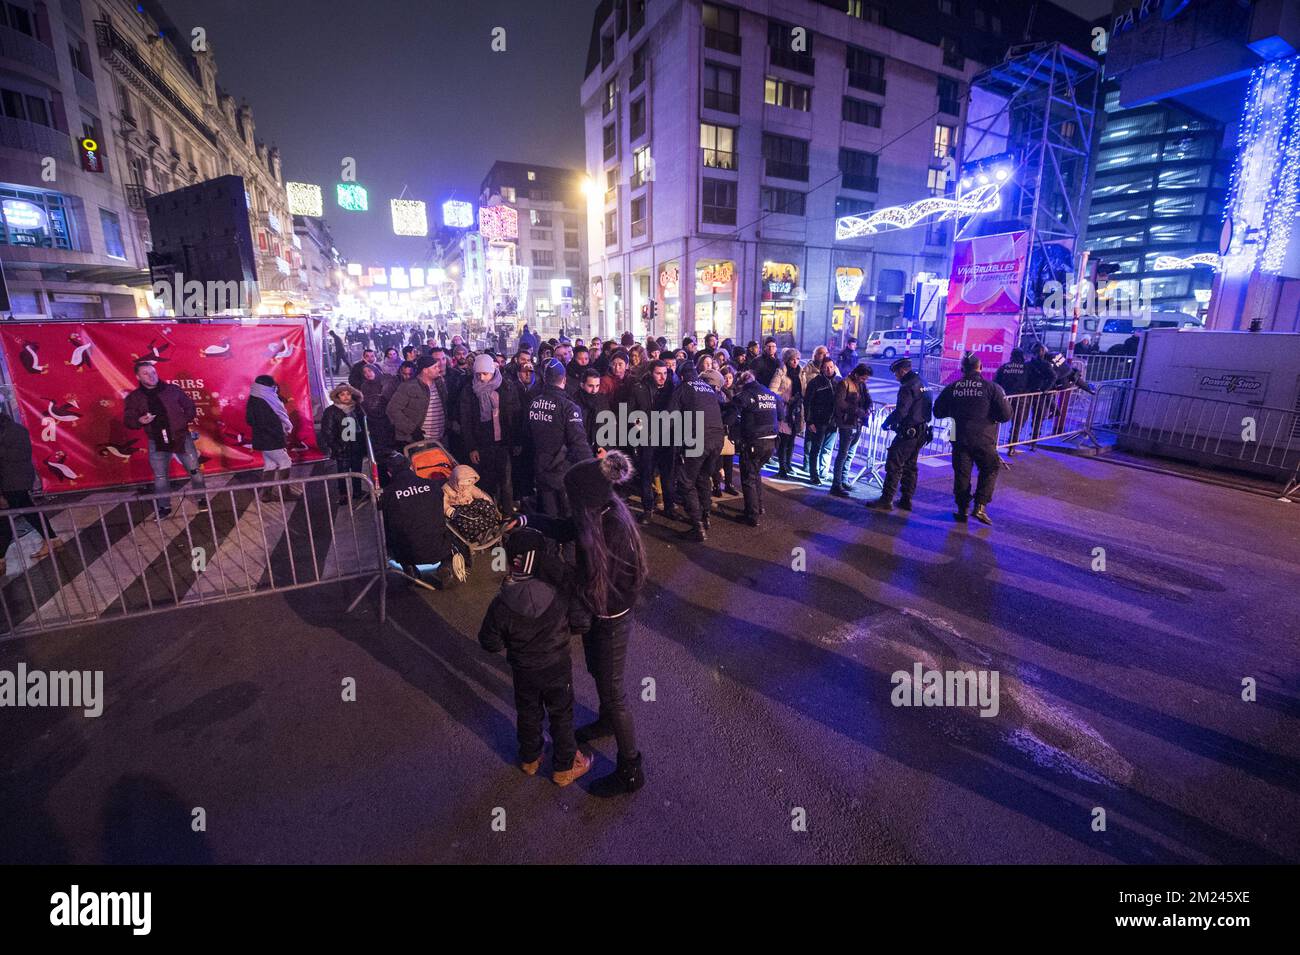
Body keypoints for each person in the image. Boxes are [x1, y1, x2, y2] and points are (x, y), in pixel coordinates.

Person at [514, 451, 647, 795]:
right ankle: (604, 720)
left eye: (572, 497)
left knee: (614, 691)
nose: (568, 502)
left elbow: (582, 582)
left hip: (612, 618)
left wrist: (544, 562)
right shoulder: (596, 512)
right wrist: (529, 520)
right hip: (600, 613)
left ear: (584, 498)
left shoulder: (610, 528)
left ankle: (631, 769)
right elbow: (564, 529)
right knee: (598, 674)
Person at [477, 526, 592, 786]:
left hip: (524, 669)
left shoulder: (501, 604)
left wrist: (512, 642)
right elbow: (581, 623)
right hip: (557, 666)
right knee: (561, 714)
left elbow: (490, 643)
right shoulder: (558, 592)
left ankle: (530, 759)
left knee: (528, 712)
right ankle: (564, 767)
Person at [933, 353, 1012, 525]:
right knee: (990, 469)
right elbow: (1006, 415)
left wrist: (954, 413)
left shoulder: (953, 388)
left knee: (962, 474)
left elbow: (937, 411)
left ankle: (962, 510)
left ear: (962, 369)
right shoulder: (992, 388)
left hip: (959, 438)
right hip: (984, 438)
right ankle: (980, 507)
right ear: (980, 368)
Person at [123, 359, 207, 516]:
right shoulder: (135, 397)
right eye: (146, 374)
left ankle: (201, 498)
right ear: (138, 377)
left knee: (194, 470)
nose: (151, 376)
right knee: (160, 476)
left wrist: (182, 421)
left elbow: (190, 407)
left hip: (181, 437)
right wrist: (140, 420)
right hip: (156, 440)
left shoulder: (172, 390)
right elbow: (128, 419)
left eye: (153, 372)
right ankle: (164, 506)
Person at [668, 358, 724, 541]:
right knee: (703, 477)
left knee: (686, 482)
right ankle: (706, 516)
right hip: (717, 439)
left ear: (682, 375)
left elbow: (671, 415)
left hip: (699, 438)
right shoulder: (707, 387)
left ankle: (697, 525)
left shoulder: (683, 388)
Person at [527, 358, 592, 516]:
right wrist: (592, 466)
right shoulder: (568, 407)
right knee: (568, 517)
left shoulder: (534, 403)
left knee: (549, 517)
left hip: (540, 467)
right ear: (564, 379)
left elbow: (526, 434)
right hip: (562, 469)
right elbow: (578, 443)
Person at [0, 408, 61, 573]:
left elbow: (7, 459)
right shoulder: (15, 429)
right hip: (19, 479)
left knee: (4, 519)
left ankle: (0, 558)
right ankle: (52, 539)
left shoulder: (8, 433)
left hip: (10, 482)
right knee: (28, 510)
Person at [379, 453, 454, 585]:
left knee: (393, 530)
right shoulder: (432, 485)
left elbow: (389, 525)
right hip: (438, 547)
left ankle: (409, 569)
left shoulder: (387, 494)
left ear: (390, 473)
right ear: (411, 468)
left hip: (407, 551)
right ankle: (446, 564)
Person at [868, 358, 932, 512]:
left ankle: (886, 499)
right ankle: (906, 499)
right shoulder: (923, 382)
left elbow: (901, 411)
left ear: (902, 371)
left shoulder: (907, 386)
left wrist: (886, 422)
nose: (896, 377)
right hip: (922, 431)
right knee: (910, 465)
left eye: (896, 373)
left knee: (894, 464)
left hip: (908, 432)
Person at [459, 353, 518, 512]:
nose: (482, 378)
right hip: (482, 442)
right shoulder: (469, 390)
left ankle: (507, 513)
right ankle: (488, 513)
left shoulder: (505, 386)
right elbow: (466, 421)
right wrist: (472, 447)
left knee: (505, 480)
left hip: (503, 442)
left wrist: (515, 441)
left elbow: (514, 414)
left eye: (485, 373)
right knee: (485, 481)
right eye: (478, 374)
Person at [727, 370, 782, 526]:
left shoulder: (747, 394)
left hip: (755, 442)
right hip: (771, 441)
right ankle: (759, 507)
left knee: (748, 478)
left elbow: (732, 413)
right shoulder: (769, 393)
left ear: (743, 383)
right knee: (756, 473)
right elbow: (781, 414)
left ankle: (751, 516)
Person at [629, 359, 676, 524]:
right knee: (646, 475)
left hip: (667, 438)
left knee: (668, 474)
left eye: (665, 373)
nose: (662, 377)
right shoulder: (639, 388)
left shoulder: (672, 389)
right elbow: (630, 412)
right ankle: (647, 509)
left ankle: (670, 507)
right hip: (647, 438)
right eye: (658, 373)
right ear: (651, 373)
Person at [246, 375, 301, 501]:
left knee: (270, 464)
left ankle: (266, 494)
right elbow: (271, 421)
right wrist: (280, 432)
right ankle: (285, 493)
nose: (274, 388)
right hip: (271, 438)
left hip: (262, 438)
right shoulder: (266, 399)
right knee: (285, 462)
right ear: (266, 387)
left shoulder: (254, 397)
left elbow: (250, 419)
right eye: (272, 386)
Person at [319, 384, 369, 508]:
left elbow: (364, 425)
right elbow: (327, 432)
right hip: (342, 446)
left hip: (357, 444)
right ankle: (343, 495)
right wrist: (337, 447)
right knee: (343, 471)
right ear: (337, 396)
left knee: (357, 470)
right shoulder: (331, 411)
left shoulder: (357, 408)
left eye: (348, 394)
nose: (346, 397)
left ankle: (357, 492)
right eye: (342, 394)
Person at [829, 364, 873, 497]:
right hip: (847, 422)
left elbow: (868, 398)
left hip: (858, 422)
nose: (864, 381)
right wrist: (856, 410)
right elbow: (839, 402)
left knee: (851, 453)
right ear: (856, 374)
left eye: (866, 379)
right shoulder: (844, 383)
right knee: (843, 453)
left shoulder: (862, 385)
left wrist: (869, 407)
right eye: (863, 378)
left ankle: (844, 479)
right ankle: (836, 485)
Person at [386, 356, 448, 447]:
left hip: (440, 438)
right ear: (425, 370)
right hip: (419, 441)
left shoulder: (440, 384)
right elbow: (392, 410)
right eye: (435, 367)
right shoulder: (408, 386)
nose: (439, 369)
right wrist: (412, 430)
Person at [802, 356, 839, 486]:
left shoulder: (838, 382)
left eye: (831, 367)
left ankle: (824, 472)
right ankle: (814, 475)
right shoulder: (815, 383)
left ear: (834, 367)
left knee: (828, 449)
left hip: (833, 422)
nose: (829, 370)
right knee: (815, 449)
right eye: (826, 367)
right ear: (821, 369)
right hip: (819, 421)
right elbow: (808, 403)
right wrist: (809, 421)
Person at [770, 348, 804, 477]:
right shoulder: (780, 372)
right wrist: (786, 399)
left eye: (797, 359)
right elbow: (772, 391)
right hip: (784, 410)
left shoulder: (801, 372)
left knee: (792, 440)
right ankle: (782, 468)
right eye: (792, 359)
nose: (795, 361)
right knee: (783, 440)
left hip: (796, 411)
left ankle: (788, 464)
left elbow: (803, 389)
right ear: (787, 360)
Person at [994, 348, 1031, 451]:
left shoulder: (1004, 367)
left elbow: (996, 382)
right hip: (1021, 399)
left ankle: (993, 443)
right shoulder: (1026, 368)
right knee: (1017, 423)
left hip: (1005, 398)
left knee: (996, 421)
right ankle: (1012, 446)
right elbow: (1031, 382)